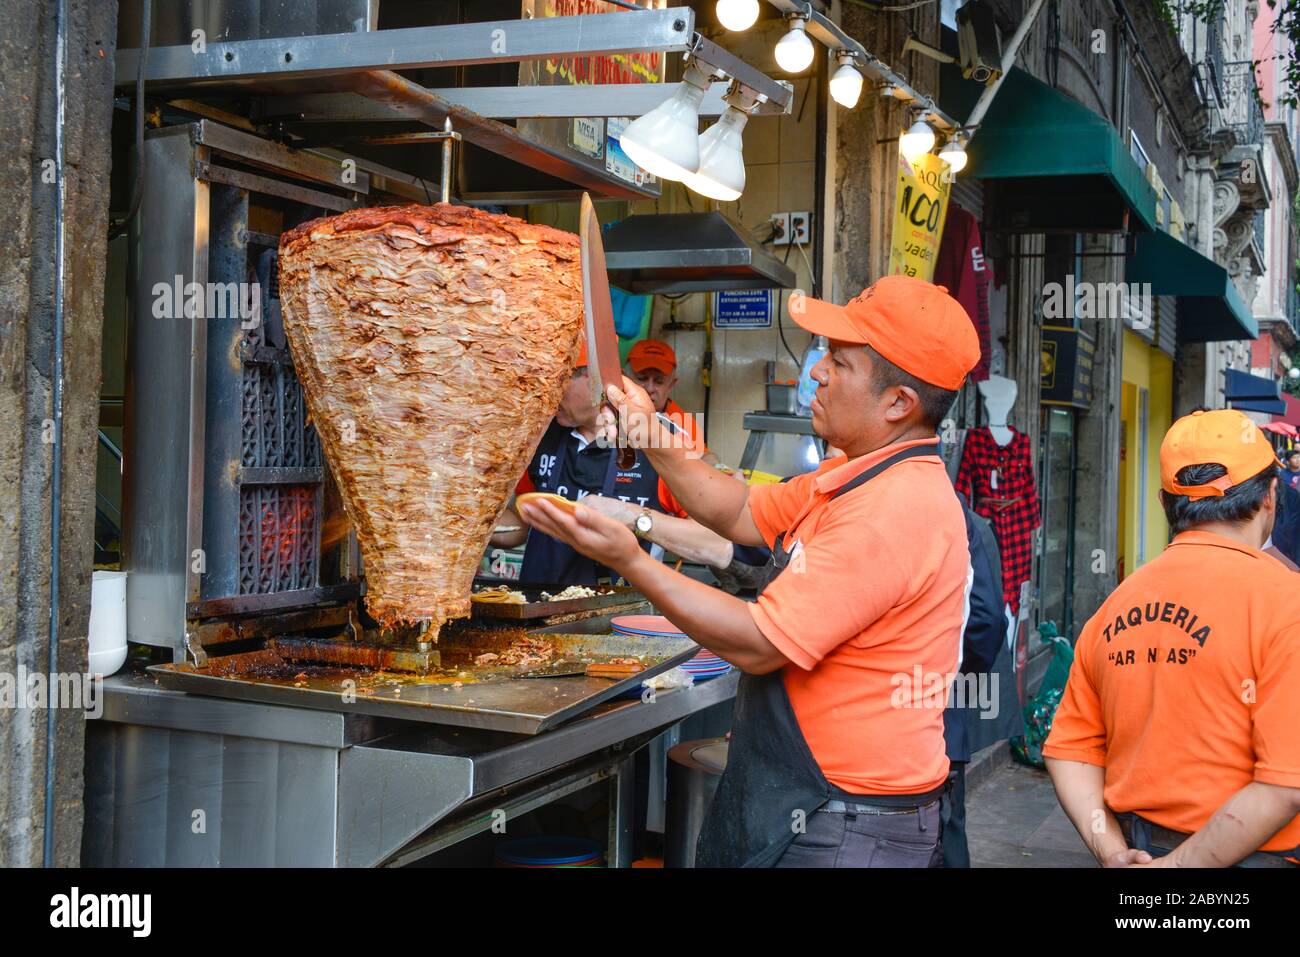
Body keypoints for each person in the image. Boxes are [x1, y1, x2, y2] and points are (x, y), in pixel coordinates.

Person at [519, 275, 981, 867]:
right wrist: (645, 427)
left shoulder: (895, 509)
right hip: (809, 800)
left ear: (898, 403)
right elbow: (735, 510)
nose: (816, 372)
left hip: (844, 824)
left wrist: (628, 557)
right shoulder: (848, 478)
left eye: (839, 364)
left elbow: (762, 643)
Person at [1044, 409, 1300, 867]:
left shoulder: (1115, 604)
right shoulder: (1287, 602)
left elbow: (1070, 750)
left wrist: (1112, 850)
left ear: (1166, 503)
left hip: (1136, 850)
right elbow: (1287, 784)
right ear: (1270, 497)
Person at [492, 341, 732, 584]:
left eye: (559, 379)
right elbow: (521, 526)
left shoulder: (663, 437)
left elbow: (716, 543)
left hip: (621, 613)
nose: (547, 391)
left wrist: (633, 517)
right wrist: (464, 519)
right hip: (539, 609)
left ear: (594, 378)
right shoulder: (538, 434)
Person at [625, 339, 719, 467]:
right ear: (626, 378)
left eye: (659, 381)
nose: (650, 388)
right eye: (642, 378)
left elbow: (703, 457)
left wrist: (714, 465)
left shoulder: (682, 422)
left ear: (671, 385)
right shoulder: (611, 414)